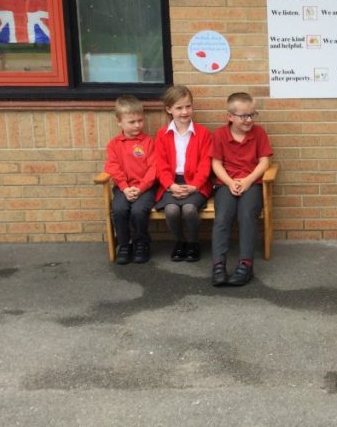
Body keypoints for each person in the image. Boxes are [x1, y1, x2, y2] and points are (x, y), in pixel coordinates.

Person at [209, 92, 273, 287]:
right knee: (223, 216)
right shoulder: (220, 134)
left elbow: (264, 162)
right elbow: (216, 163)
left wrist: (247, 180)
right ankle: (218, 266)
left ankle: (246, 265)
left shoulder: (259, 133)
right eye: (243, 116)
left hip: (252, 184)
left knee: (246, 215)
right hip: (226, 184)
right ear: (230, 116)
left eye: (252, 115)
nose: (249, 120)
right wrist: (230, 182)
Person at [152, 85, 213, 262]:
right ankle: (180, 241)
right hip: (171, 182)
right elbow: (161, 165)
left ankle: (193, 243)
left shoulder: (203, 134)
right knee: (171, 210)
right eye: (179, 108)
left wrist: (194, 186)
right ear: (169, 109)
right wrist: (170, 185)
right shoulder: (162, 135)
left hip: (196, 183)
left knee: (189, 209)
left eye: (188, 106)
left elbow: (205, 164)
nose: (184, 112)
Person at [103, 95, 158, 265]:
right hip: (123, 188)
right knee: (119, 209)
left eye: (140, 121)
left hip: (146, 188)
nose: (137, 125)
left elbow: (154, 168)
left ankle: (142, 243)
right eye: (132, 122)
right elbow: (112, 167)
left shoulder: (148, 142)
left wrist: (141, 188)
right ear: (119, 122)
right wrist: (125, 187)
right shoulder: (114, 144)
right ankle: (125, 244)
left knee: (138, 210)